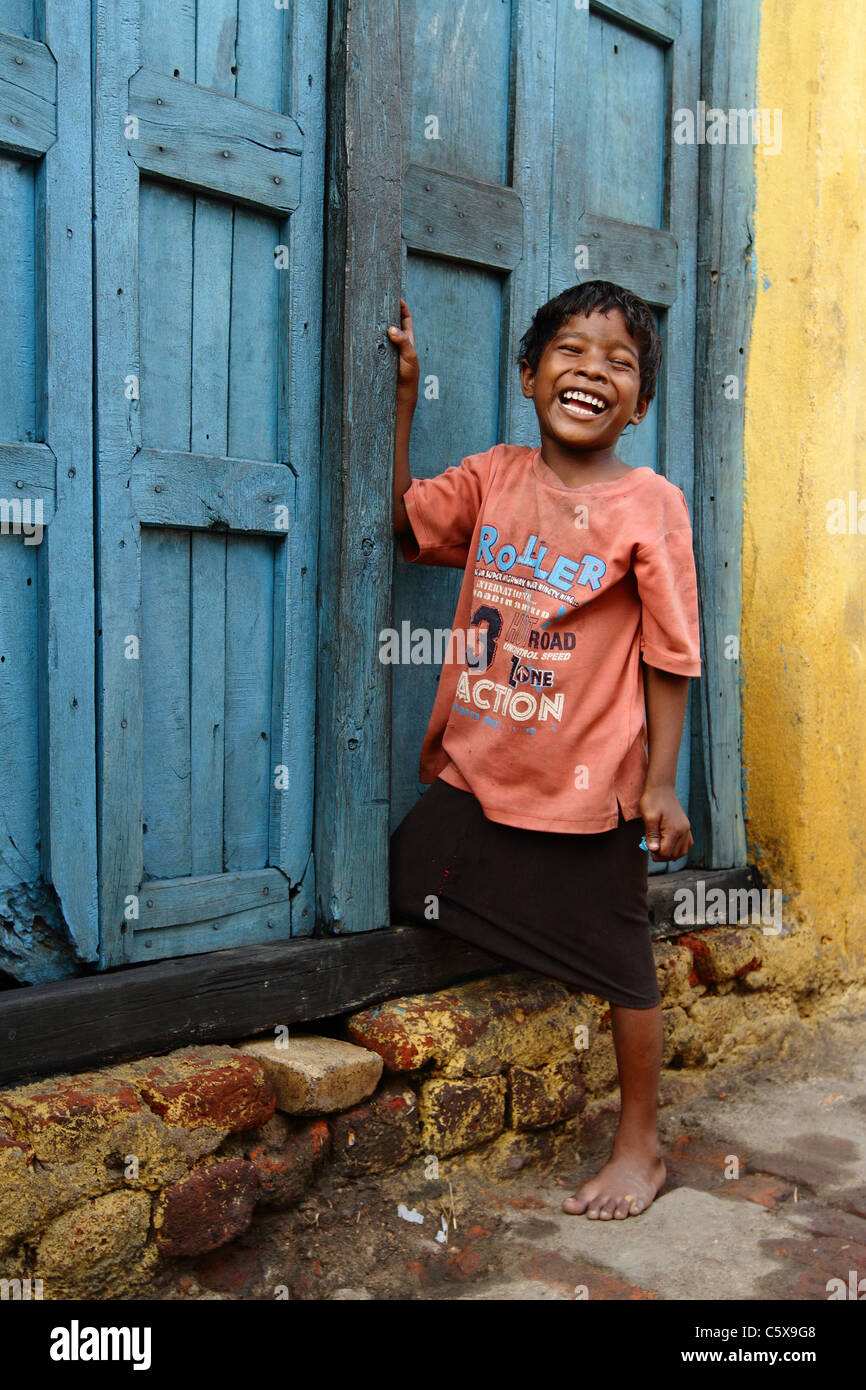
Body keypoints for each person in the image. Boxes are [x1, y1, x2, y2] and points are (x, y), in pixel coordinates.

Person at [386, 281, 702, 1220]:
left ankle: (640, 1145)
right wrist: (404, 403)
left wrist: (662, 783)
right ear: (529, 376)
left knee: (621, 962)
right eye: (570, 351)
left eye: (619, 363)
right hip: (483, 763)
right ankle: (536, 947)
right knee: (408, 879)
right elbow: (407, 522)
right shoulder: (493, 477)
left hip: (588, 780)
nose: (592, 371)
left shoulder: (652, 503)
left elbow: (672, 651)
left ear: (638, 404)